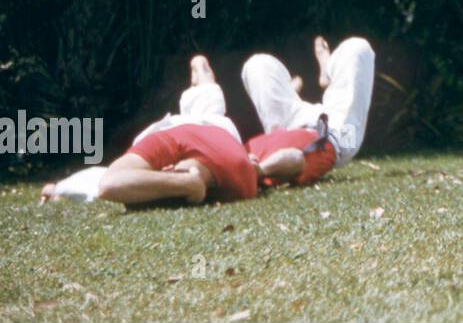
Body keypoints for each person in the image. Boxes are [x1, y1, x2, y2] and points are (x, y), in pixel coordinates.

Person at [40, 56, 249, 204]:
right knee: (208, 97)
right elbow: (110, 185)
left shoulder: (242, 178)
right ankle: (201, 72)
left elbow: (109, 185)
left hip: (210, 130)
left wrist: (186, 183)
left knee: (210, 97)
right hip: (209, 130)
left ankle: (202, 73)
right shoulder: (240, 176)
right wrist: (186, 184)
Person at [241, 36, 375, 184]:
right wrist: (258, 170)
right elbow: (296, 159)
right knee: (358, 47)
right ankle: (329, 71)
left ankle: (313, 79)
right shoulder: (264, 171)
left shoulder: (239, 150)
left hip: (286, 124)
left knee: (257, 64)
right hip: (338, 137)